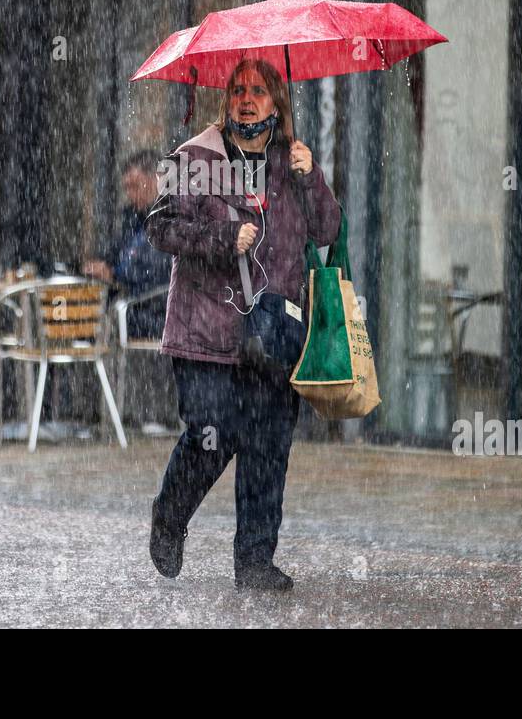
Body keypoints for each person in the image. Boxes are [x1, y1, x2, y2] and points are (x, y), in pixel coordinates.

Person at [145, 57, 341, 591]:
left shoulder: (291, 163)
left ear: (277, 100)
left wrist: (311, 175)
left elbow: (327, 229)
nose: (246, 100)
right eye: (237, 91)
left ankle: (255, 561)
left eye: (258, 90)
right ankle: (170, 514)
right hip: (207, 334)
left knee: (269, 444)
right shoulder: (196, 157)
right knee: (213, 434)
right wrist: (218, 241)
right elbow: (158, 226)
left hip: (273, 334)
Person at [83, 150, 175, 432]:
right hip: (128, 305)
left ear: (156, 180)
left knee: (102, 324)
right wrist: (99, 266)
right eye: (127, 188)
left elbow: (160, 271)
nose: (131, 194)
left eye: (136, 186)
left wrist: (116, 275)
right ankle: (94, 413)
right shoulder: (131, 219)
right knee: (80, 323)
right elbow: (113, 253)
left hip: (159, 311)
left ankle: (131, 413)